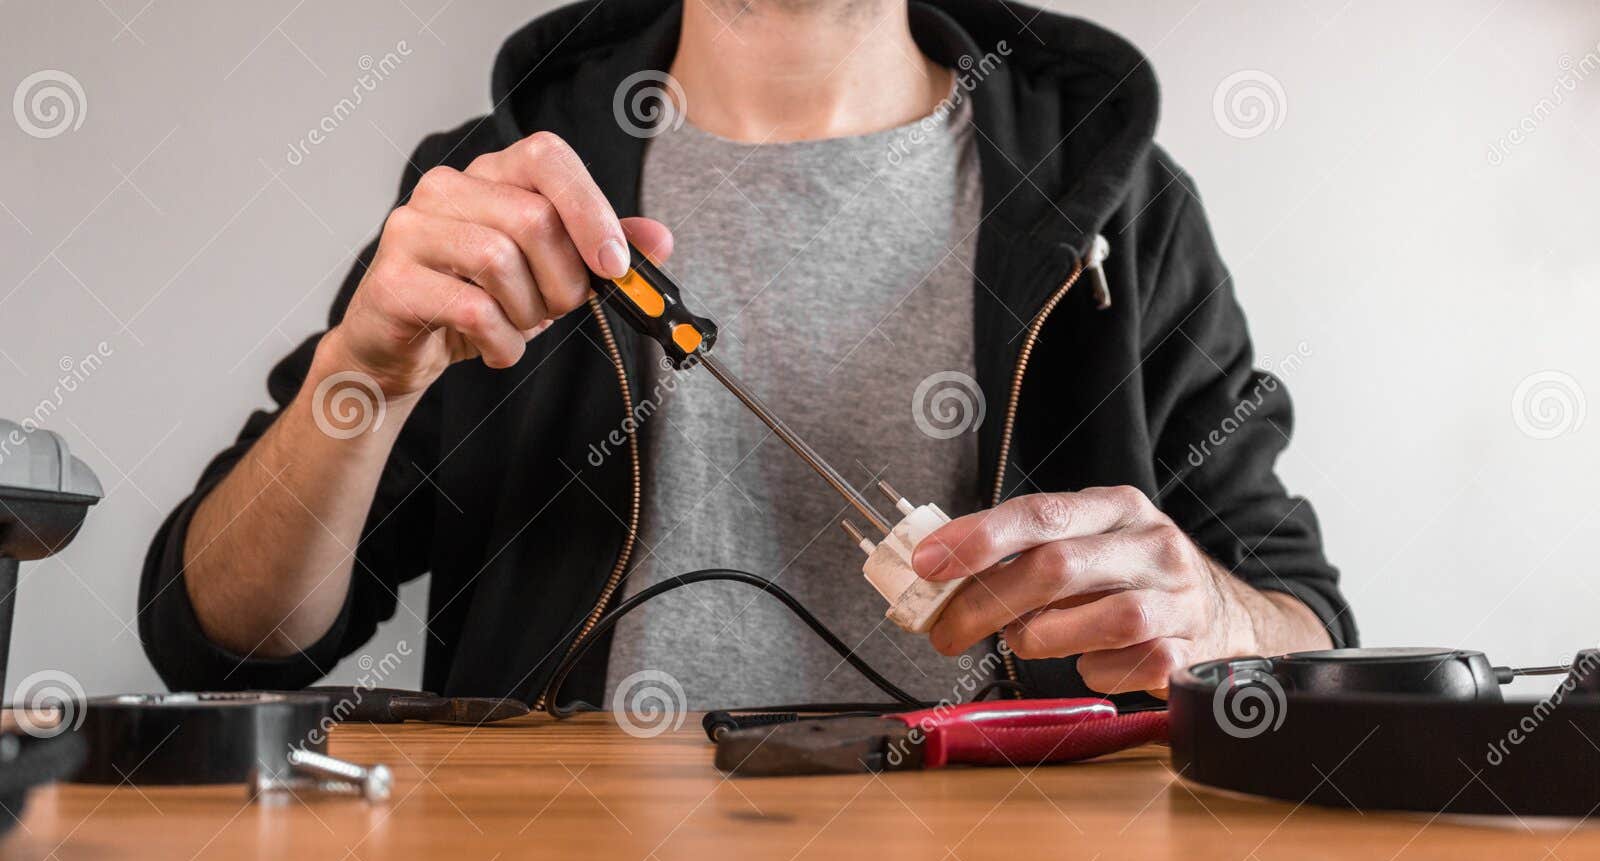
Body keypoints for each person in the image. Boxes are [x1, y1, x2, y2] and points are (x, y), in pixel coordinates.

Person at [140, 0, 1354, 710]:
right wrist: (363, 379)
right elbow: (223, 640)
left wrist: (1212, 614)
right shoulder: (500, 189)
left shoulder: (1114, 198)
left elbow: (1307, 630)